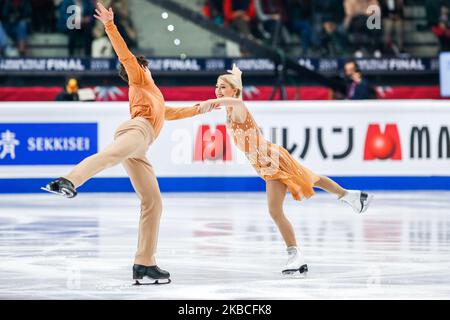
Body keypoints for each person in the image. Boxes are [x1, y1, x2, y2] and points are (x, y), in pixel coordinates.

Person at [43, 3, 217, 285]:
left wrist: (203, 107)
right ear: (141, 68)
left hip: (141, 146)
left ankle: (144, 263)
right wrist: (111, 26)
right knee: (109, 156)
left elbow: (173, 113)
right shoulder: (138, 78)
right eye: (143, 66)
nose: (147, 69)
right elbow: (125, 55)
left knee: (153, 202)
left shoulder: (154, 96)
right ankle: (68, 180)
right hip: (136, 132)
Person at [197, 65, 373, 275]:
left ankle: (295, 255)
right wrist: (236, 77)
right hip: (266, 163)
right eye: (216, 87)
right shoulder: (229, 107)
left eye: (223, 87)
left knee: (276, 210)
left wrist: (214, 100)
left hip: (273, 162)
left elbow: (236, 100)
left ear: (233, 91)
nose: (217, 90)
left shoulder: (237, 107)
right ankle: (351, 196)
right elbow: (234, 96)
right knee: (312, 178)